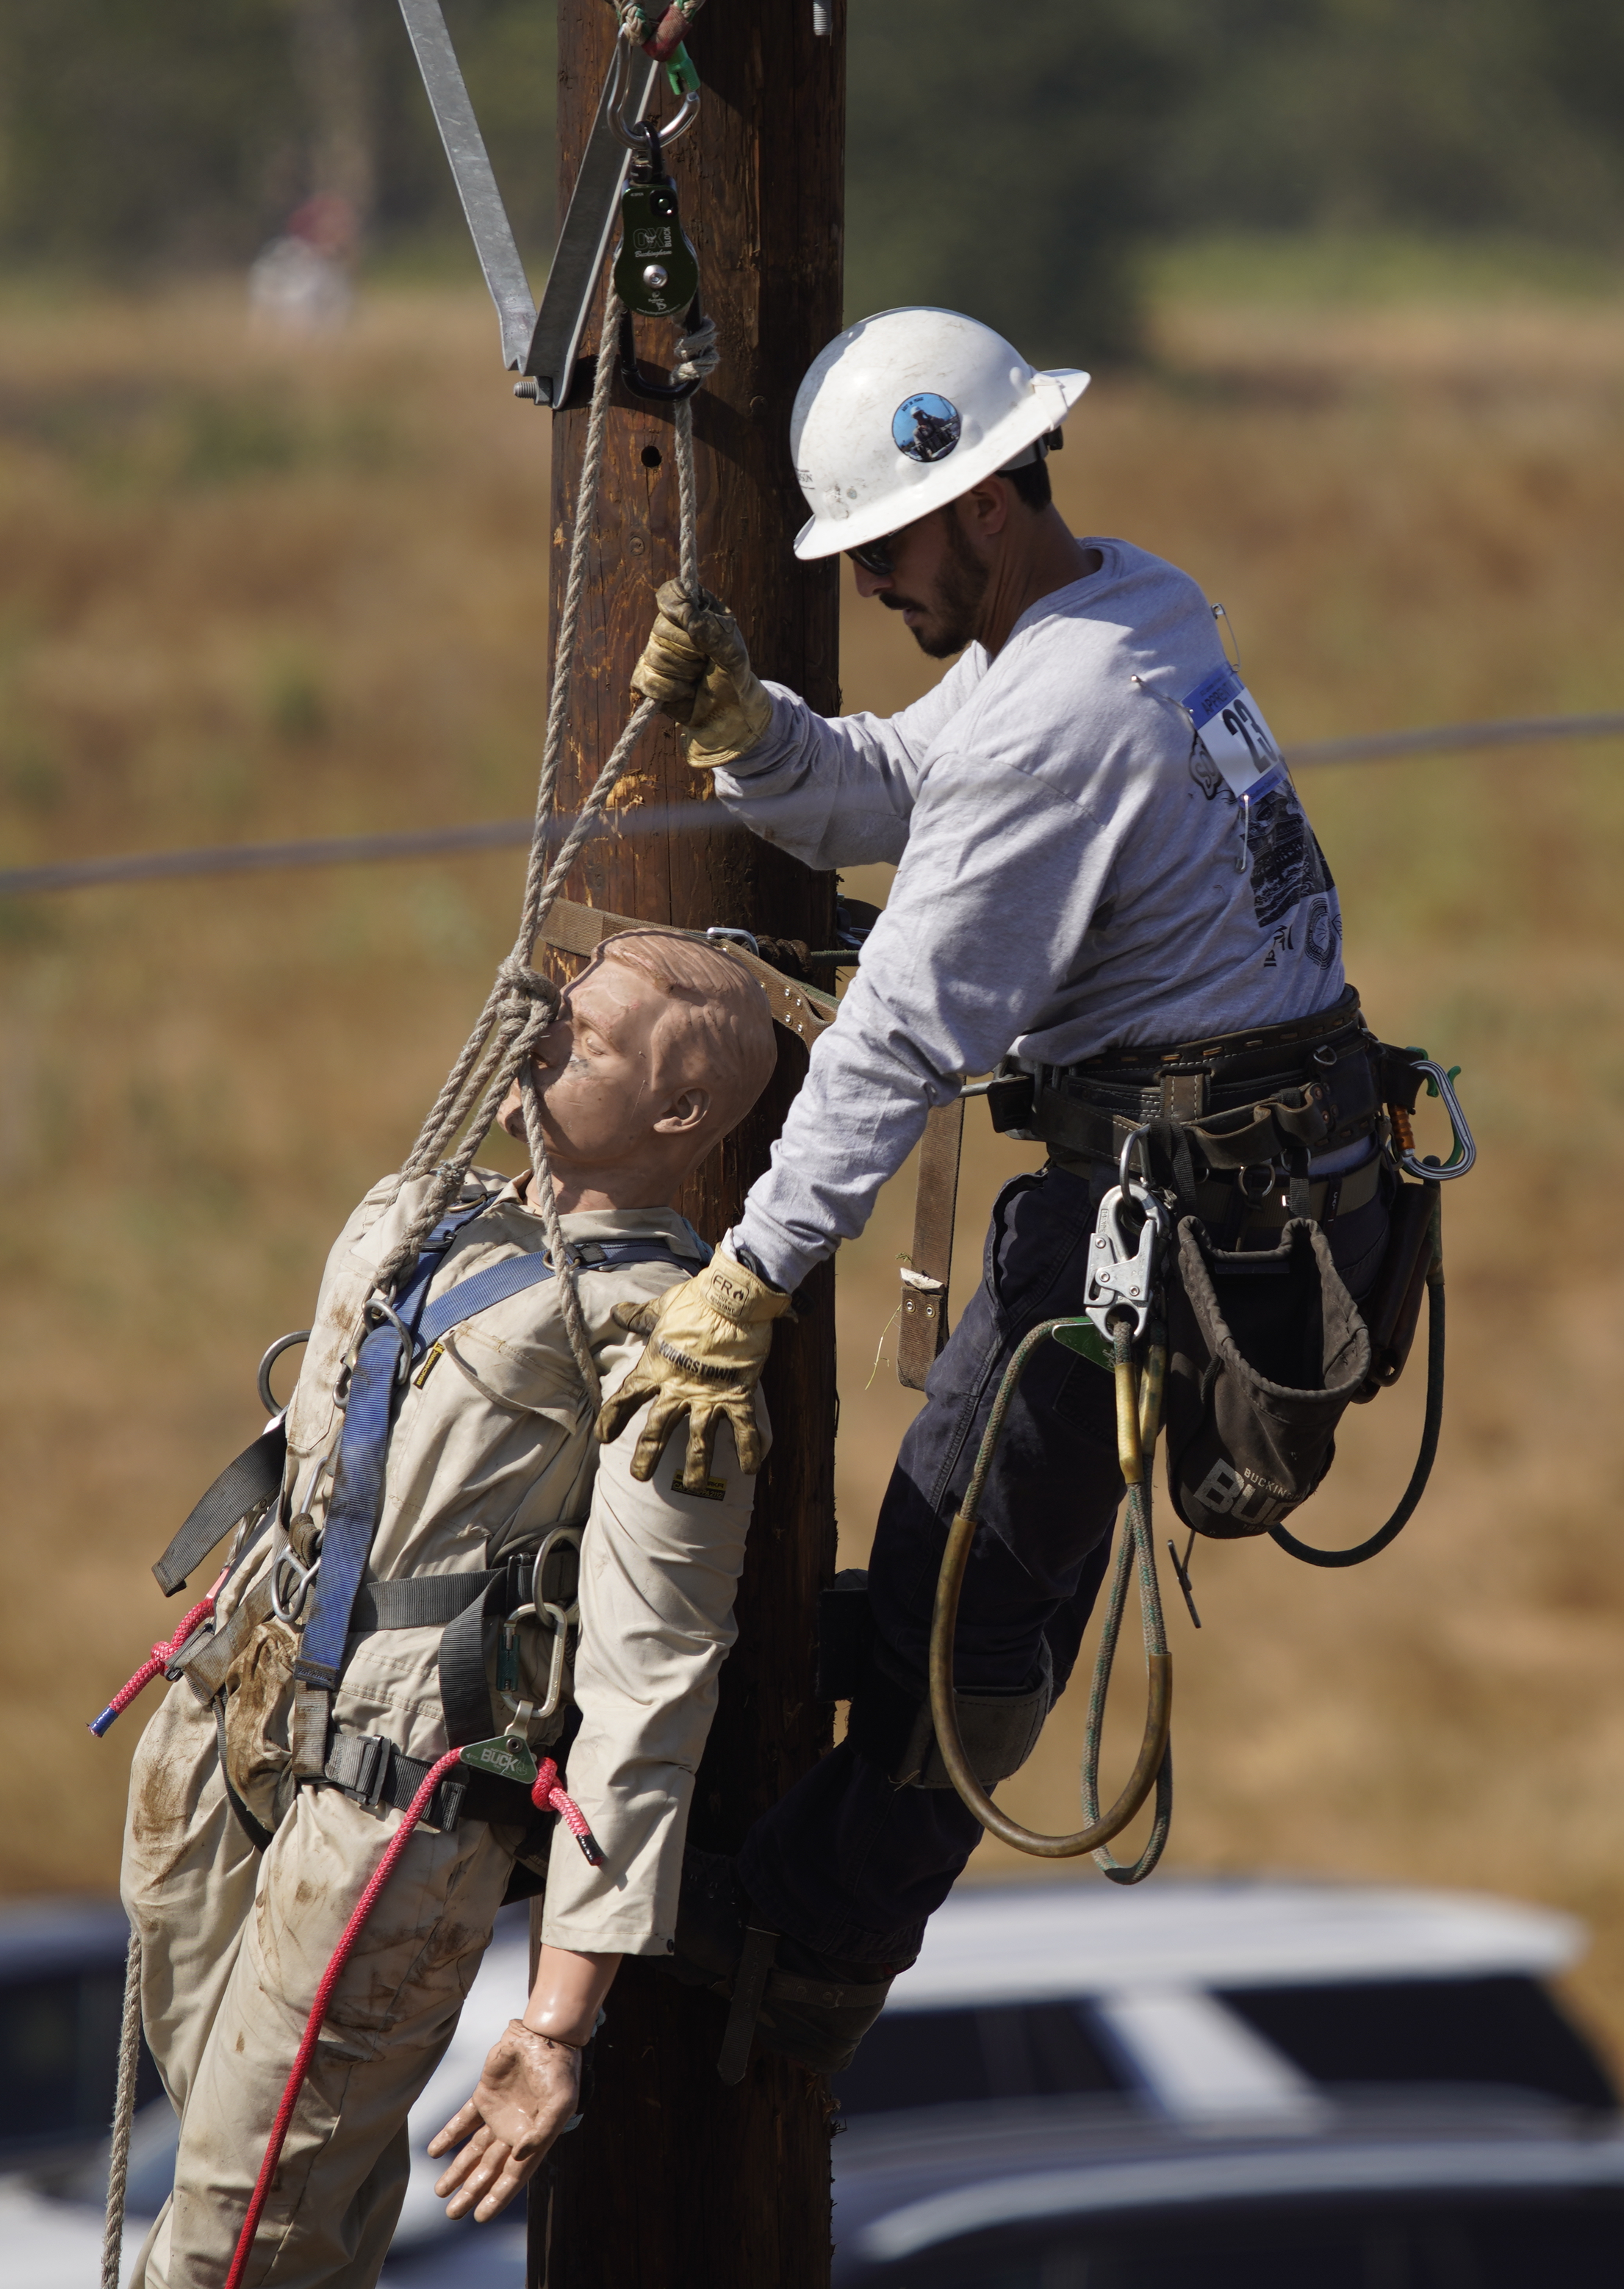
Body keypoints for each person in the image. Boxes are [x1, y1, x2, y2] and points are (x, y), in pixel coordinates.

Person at [608, 306, 1394, 2071]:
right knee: (958, 1562)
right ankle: (794, 1819)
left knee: (968, 1580)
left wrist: (748, 1283)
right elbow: (907, 785)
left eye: (886, 544)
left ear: (980, 500)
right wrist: (753, 729)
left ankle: (800, 1946)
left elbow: (897, 1037)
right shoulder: (1121, 603)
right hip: (1231, 1182)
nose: (878, 581)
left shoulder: (1068, 706)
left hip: (1188, 1211)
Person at [118, 932, 777, 2284]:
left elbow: (654, 1681)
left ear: (680, 1113)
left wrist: (556, 2023)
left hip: (389, 1809)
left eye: (580, 1043)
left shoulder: (660, 1339)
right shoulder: (432, 1211)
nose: (533, 1044)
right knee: (259, 2201)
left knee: (230, 2249)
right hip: (240, 1732)